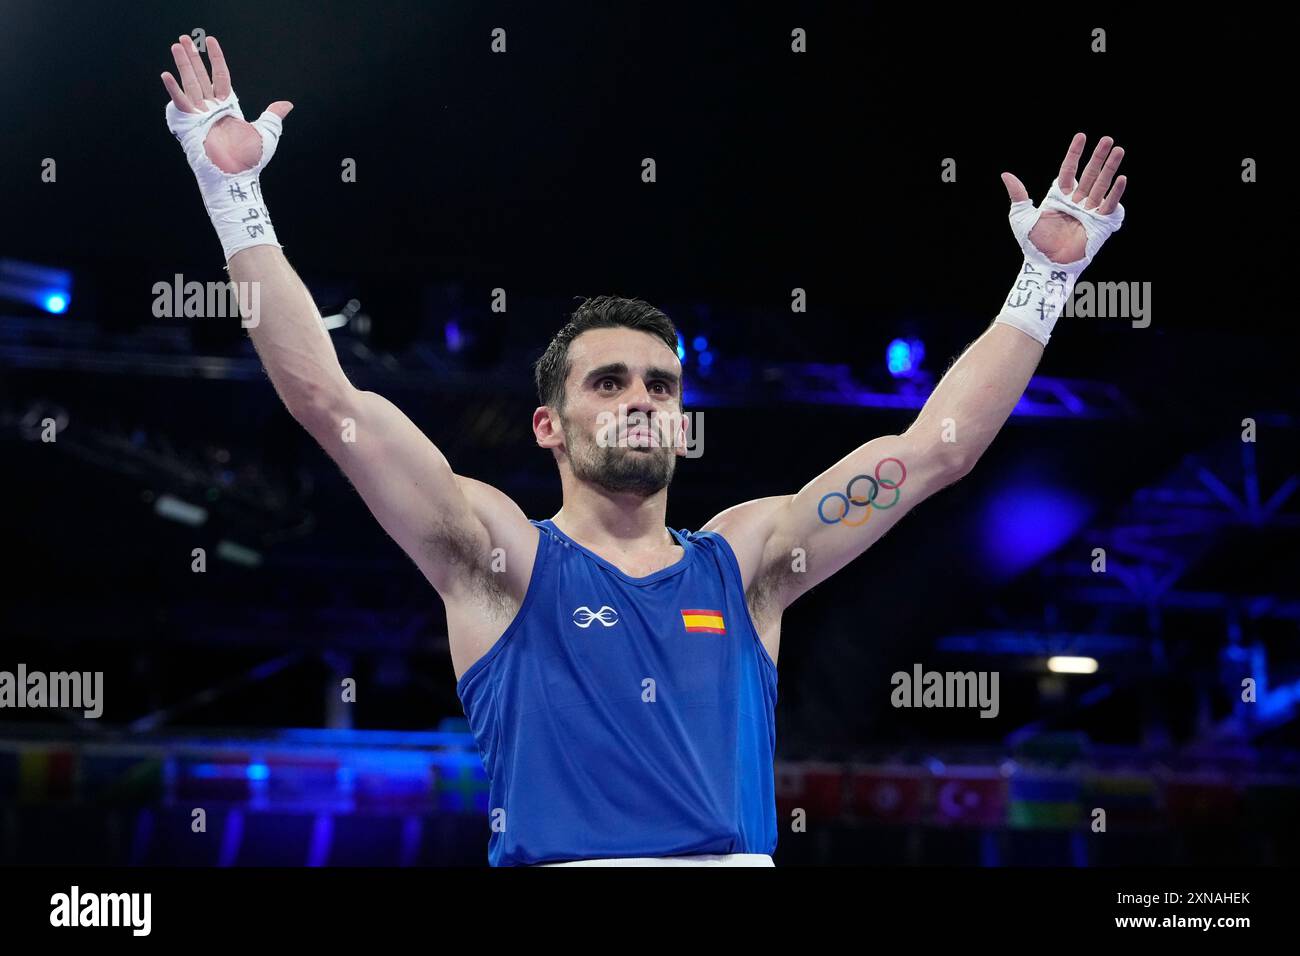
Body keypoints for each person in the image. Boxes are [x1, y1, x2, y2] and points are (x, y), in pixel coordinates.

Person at [160, 34, 1127, 866]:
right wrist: (233, 194)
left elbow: (932, 454)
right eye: (609, 382)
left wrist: (1042, 283)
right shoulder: (499, 558)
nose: (640, 402)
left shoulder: (748, 563)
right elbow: (329, 402)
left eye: (661, 386)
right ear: (549, 425)